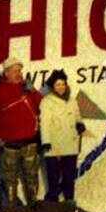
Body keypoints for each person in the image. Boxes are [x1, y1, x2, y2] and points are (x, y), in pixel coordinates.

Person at [0, 59, 42, 209]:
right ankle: (11, 208)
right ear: (6, 73)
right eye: (15, 71)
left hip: (29, 141)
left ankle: (33, 206)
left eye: (20, 70)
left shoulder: (27, 89)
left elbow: (41, 106)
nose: (19, 74)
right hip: (9, 144)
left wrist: (34, 91)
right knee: (10, 178)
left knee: (31, 176)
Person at [38, 69, 86, 204]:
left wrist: (79, 123)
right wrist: (46, 141)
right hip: (54, 147)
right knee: (53, 178)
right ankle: (52, 204)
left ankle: (69, 201)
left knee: (69, 177)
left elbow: (77, 115)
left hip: (70, 145)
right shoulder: (47, 102)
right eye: (58, 84)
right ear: (53, 86)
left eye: (63, 84)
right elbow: (45, 123)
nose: (61, 87)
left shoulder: (71, 100)